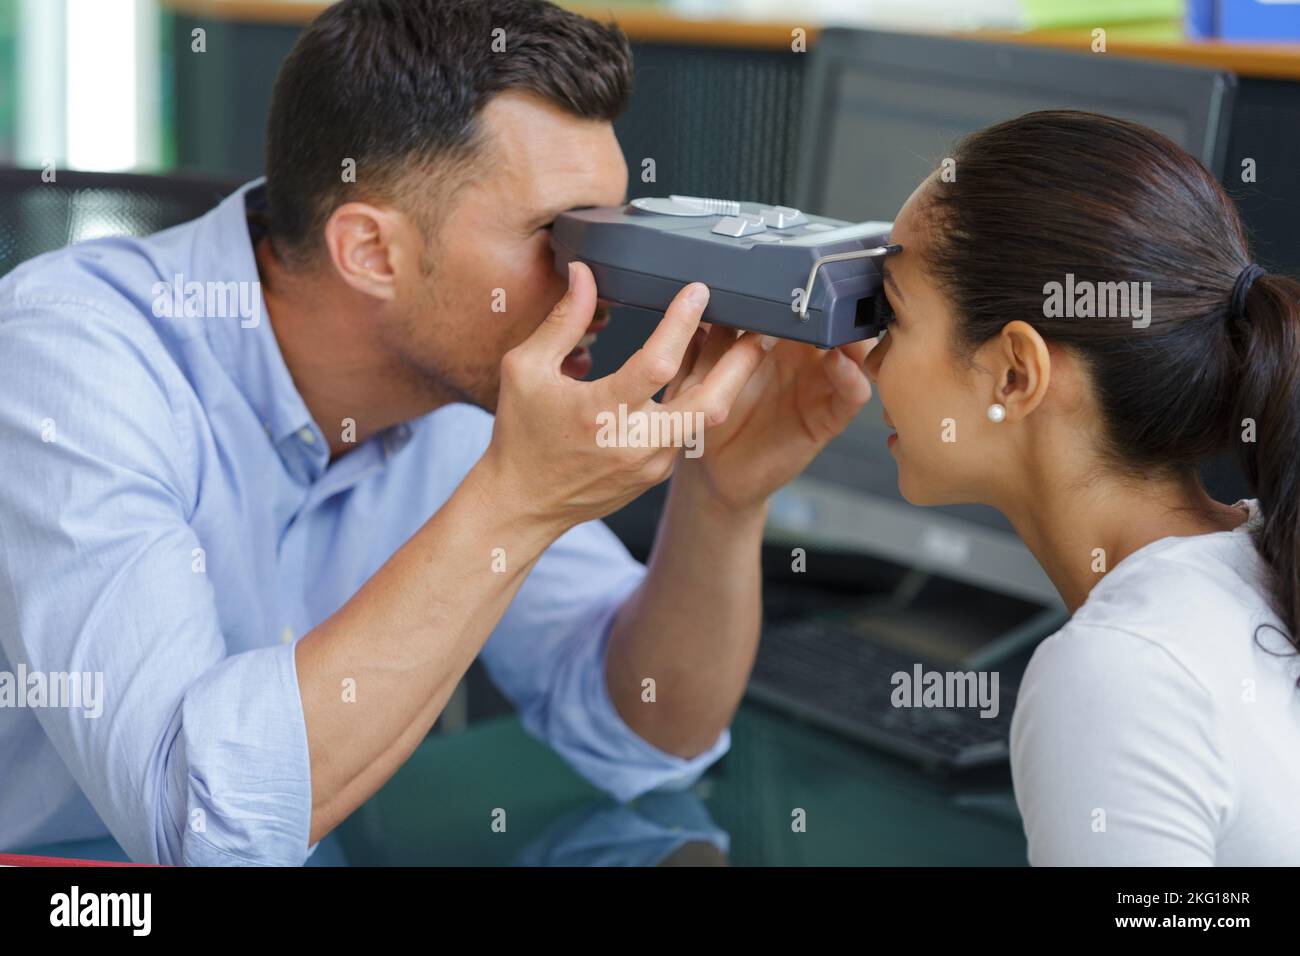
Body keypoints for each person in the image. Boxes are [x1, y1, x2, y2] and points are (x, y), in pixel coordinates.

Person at [0, 0, 875, 864]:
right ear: (372, 253)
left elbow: (644, 732)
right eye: (557, 234)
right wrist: (516, 505)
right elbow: (188, 826)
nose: (606, 284)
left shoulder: (465, 392)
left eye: (612, 229)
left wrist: (719, 499)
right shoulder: (71, 364)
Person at [866, 109, 1300, 864]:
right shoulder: (1258, 557)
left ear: (1015, 372)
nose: (865, 362)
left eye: (891, 318)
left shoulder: (1117, 674)